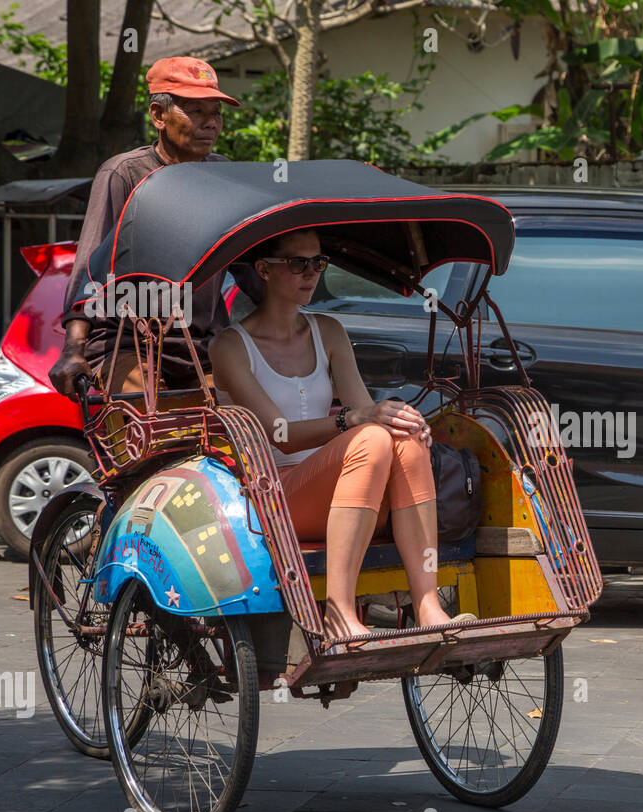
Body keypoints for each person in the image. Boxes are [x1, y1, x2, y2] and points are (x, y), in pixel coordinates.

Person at [210, 228, 471, 647]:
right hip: (275, 497)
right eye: (297, 263)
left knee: (402, 437)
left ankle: (427, 604)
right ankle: (339, 612)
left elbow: (366, 414)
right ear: (264, 269)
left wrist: (398, 419)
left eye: (318, 262)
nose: (311, 273)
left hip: (347, 484)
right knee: (371, 437)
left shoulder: (327, 330)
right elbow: (281, 436)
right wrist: (353, 419)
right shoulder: (231, 346)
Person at [49, 56, 259, 398]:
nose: (211, 124)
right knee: (156, 432)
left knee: (237, 432)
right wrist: (73, 349)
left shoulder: (225, 175)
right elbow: (90, 269)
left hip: (203, 348)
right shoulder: (124, 174)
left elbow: (250, 265)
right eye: (196, 111)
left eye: (216, 113)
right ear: (158, 116)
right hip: (129, 343)